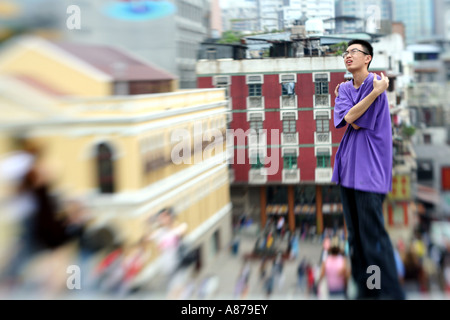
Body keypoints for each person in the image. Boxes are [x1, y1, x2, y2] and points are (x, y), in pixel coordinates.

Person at [332, 39, 405, 300]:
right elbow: (345, 118)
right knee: (356, 240)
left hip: (369, 174)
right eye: (346, 53)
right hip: (347, 173)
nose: (348, 56)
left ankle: (387, 293)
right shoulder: (344, 89)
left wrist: (375, 93)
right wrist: (370, 95)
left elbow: (354, 119)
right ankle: (366, 292)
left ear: (368, 58)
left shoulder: (377, 85)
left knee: (373, 238)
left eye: (354, 52)